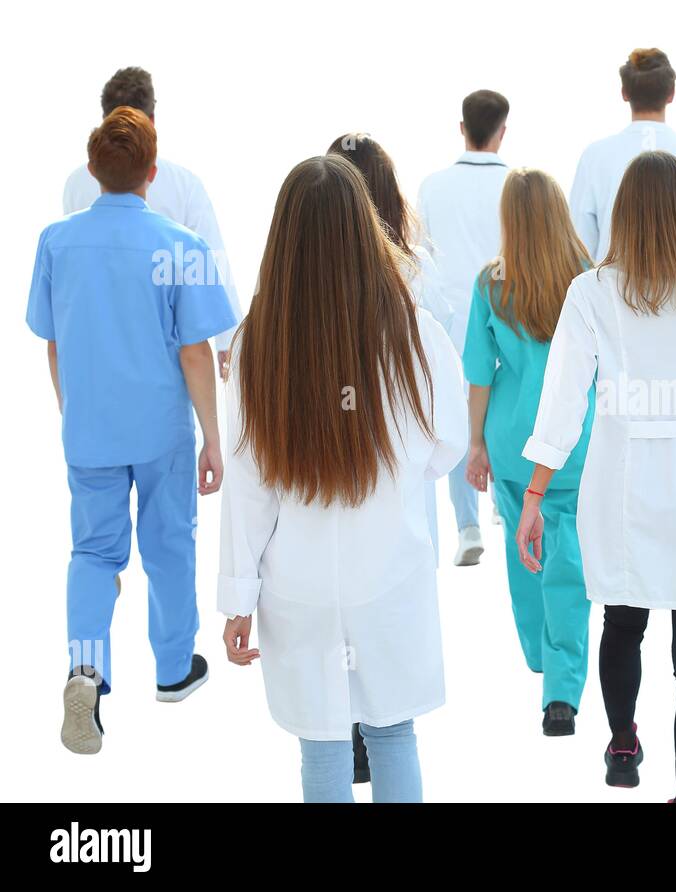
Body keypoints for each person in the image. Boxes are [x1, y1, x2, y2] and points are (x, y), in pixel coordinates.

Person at [218, 154, 468, 803]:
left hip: (297, 589)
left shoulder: (255, 346)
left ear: (285, 238)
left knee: (323, 746)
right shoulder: (412, 333)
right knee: (391, 734)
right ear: (365, 230)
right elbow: (447, 447)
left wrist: (238, 597)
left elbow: (249, 488)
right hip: (390, 576)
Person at [517, 152, 676, 803]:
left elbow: (563, 400)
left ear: (625, 216)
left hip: (621, 491)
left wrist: (535, 494)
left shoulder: (592, 292)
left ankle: (623, 742)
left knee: (622, 626)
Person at [29, 106, 234, 754]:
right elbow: (197, 351)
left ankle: (86, 670)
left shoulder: (56, 242)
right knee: (169, 547)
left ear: (92, 170)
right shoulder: (182, 246)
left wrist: (73, 413)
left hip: (89, 429)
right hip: (159, 431)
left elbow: (54, 345)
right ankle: (174, 671)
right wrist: (213, 438)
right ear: (152, 172)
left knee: (93, 555)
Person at [327, 131, 456, 784]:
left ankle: (345, 734)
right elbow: (444, 403)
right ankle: (373, 729)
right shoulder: (417, 271)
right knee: (389, 666)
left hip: (318, 480)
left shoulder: (303, 276)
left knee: (328, 629)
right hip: (398, 480)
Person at [462, 169, 596, 736]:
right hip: (577, 444)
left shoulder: (491, 285)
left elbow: (478, 374)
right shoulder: (588, 279)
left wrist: (474, 444)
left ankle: (543, 660)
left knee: (526, 559)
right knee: (569, 565)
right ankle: (561, 686)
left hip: (514, 443)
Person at [63, 67, 242, 380]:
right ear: (153, 122)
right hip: (164, 354)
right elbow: (212, 262)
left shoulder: (78, 183)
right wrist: (228, 340)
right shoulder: (183, 185)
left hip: (98, 350)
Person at [417, 89, 511, 567]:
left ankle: (468, 523)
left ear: (461, 128)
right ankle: (505, 504)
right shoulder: (517, 184)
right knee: (506, 403)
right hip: (507, 310)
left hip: (451, 316)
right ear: (503, 130)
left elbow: (420, 256)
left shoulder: (432, 187)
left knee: (459, 416)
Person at [570, 48, 676, 262]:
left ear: (624, 92)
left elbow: (581, 241)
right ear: (671, 94)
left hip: (610, 290)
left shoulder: (594, 156)